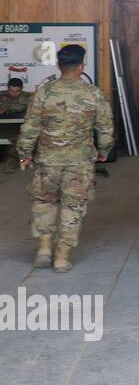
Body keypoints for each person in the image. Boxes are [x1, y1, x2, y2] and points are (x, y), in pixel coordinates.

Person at [16, 45, 114, 272]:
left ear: (59, 65)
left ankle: (43, 249)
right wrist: (103, 151)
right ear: (81, 66)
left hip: (47, 161)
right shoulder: (93, 94)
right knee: (74, 207)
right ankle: (61, 257)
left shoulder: (44, 91)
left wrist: (24, 154)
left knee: (43, 202)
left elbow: (30, 127)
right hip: (79, 163)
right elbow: (106, 128)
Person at [1, 77, 32, 172]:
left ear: (21, 89)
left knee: (19, 137)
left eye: (17, 91)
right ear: (7, 88)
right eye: (11, 91)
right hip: (4, 126)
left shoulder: (28, 96)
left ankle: (14, 161)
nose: (14, 94)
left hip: (21, 126)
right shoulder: (2, 95)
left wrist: (8, 109)